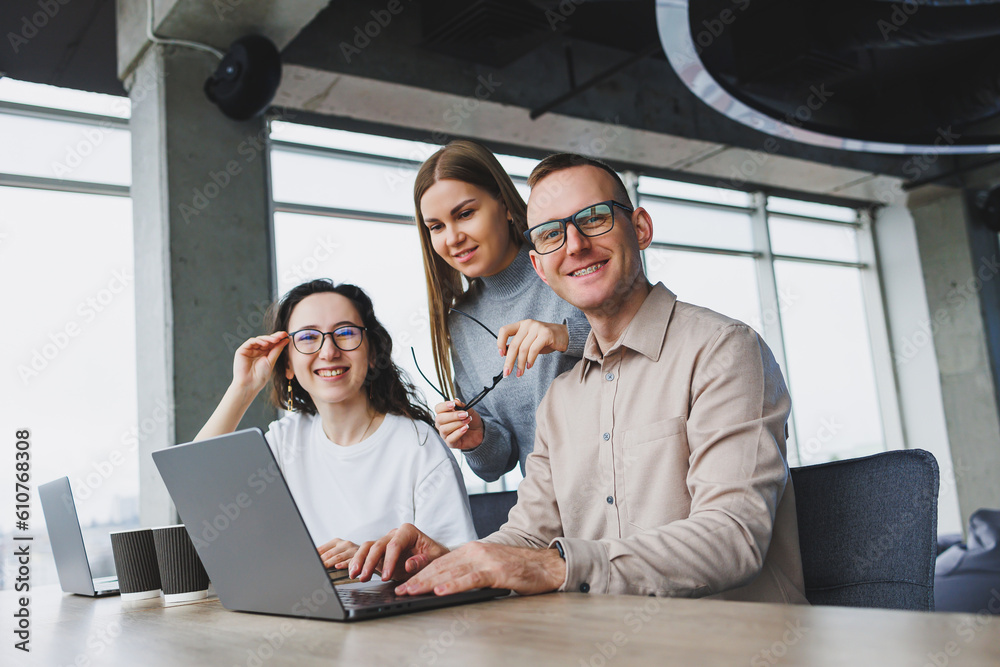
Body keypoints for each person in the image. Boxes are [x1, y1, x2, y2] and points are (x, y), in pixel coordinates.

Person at [350, 154, 808, 604]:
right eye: (551, 234)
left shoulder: (722, 350)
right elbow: (531, 534)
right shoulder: (562, 397)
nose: (573, 245)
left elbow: (733, 539)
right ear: (540, 267)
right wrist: (451, 559)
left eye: (594, 219)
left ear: (641, 229)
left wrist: (555, 566)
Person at [196, 280, 477, 571]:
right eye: (307, 337)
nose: (328, 351)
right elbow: (197, 485)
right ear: (288, 363)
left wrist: (377, 564)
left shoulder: (418, 445)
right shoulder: (286, 441)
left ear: (371, 354)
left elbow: (460, 566)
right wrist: (243, 388)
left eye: (344, 333)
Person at [414, 140, 591, 482]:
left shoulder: (569, 261)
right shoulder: (460, 324)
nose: (452, 238)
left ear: (506, 206)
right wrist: (476, 437)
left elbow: (641, 341)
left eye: (465, 214)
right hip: (548, 517)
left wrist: (565, 336)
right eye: (436, 226)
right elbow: (499, 463)